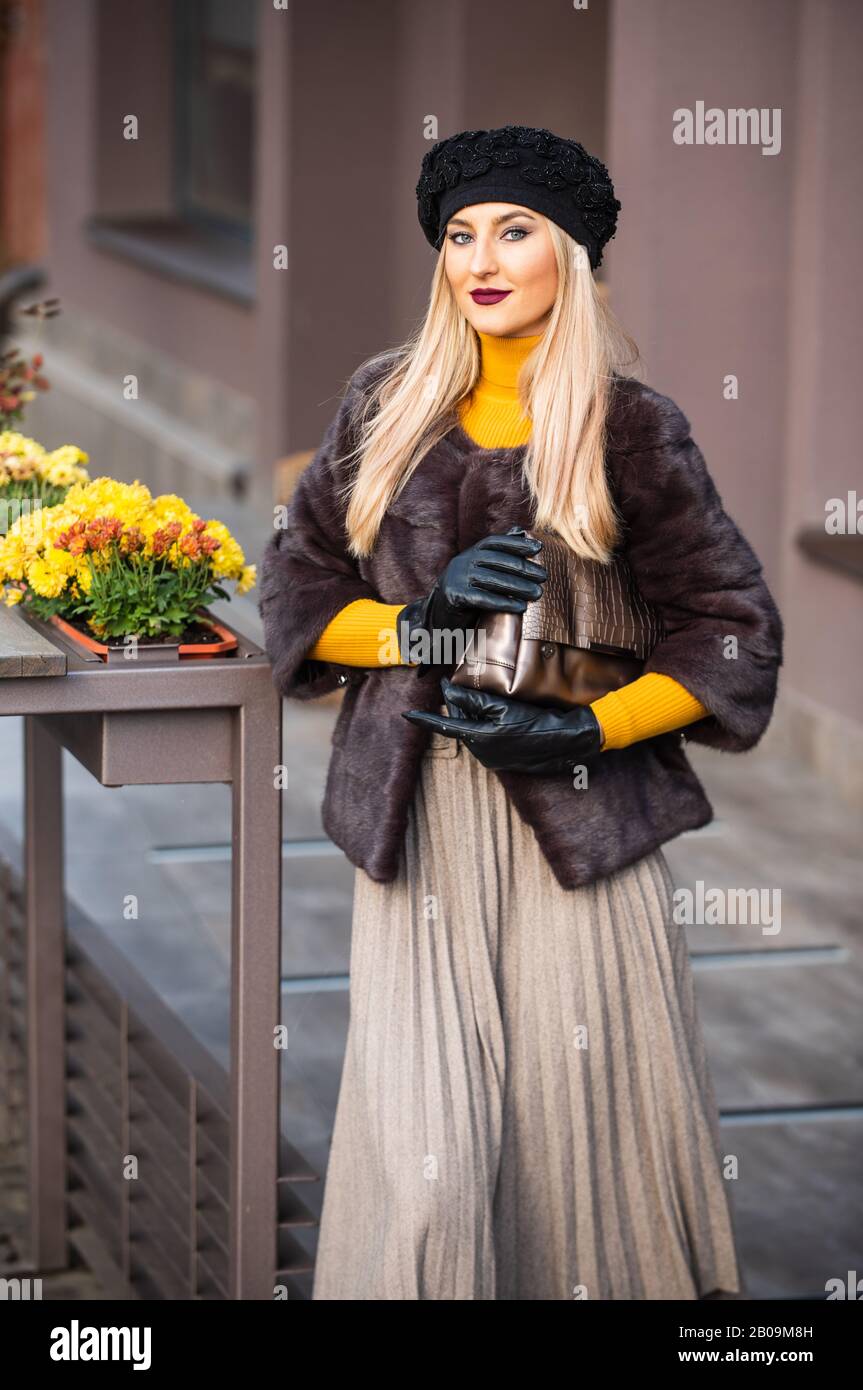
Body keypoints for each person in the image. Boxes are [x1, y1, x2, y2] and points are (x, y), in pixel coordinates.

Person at [258, 125, 783, 1300]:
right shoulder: (382, 403)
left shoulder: (630, 427)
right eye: (457, 235)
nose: (479, 259)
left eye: (513, 232)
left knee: (584, 1161)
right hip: (419, 823)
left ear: (572, 258)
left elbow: (731, 629)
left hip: (579, 830)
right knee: (430, 1174)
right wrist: (418, 628)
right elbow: (293, 584)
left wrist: (586, 730)